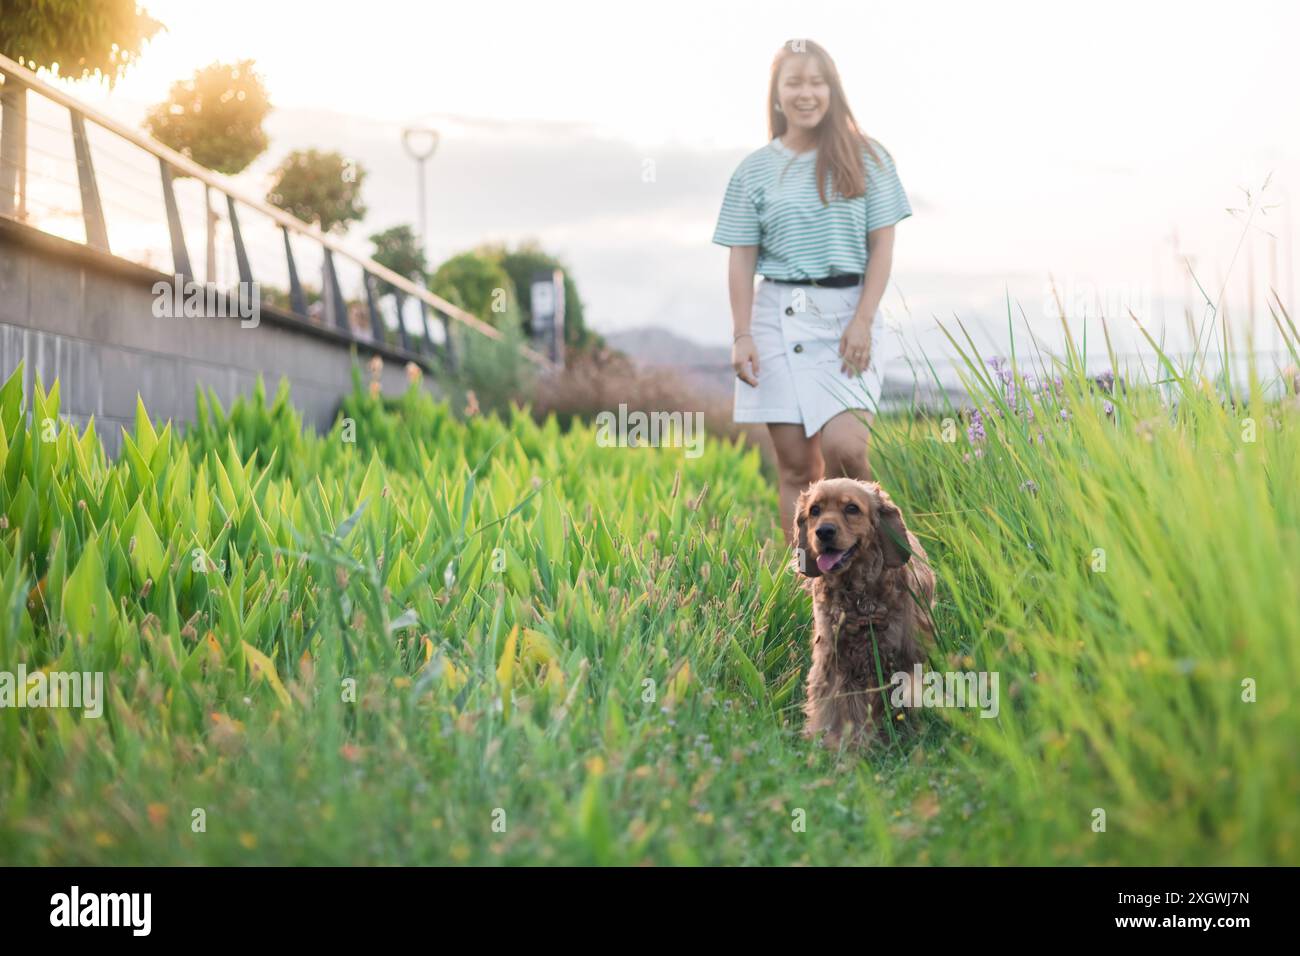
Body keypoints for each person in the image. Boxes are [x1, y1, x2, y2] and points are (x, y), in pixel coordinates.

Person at [712, 39, 913, 545]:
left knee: (847, 451)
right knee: (797, 468)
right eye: (794, 82)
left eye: (817, 81)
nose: (807, 92)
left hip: (847, 315)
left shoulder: (870, 158)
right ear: (777, 95)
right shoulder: (754, 169)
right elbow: (741, 257)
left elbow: (882, 247)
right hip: (774, 316)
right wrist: (741, 335)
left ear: (833, 90)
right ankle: (811, 583)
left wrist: (863, 319)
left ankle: (892, 572)